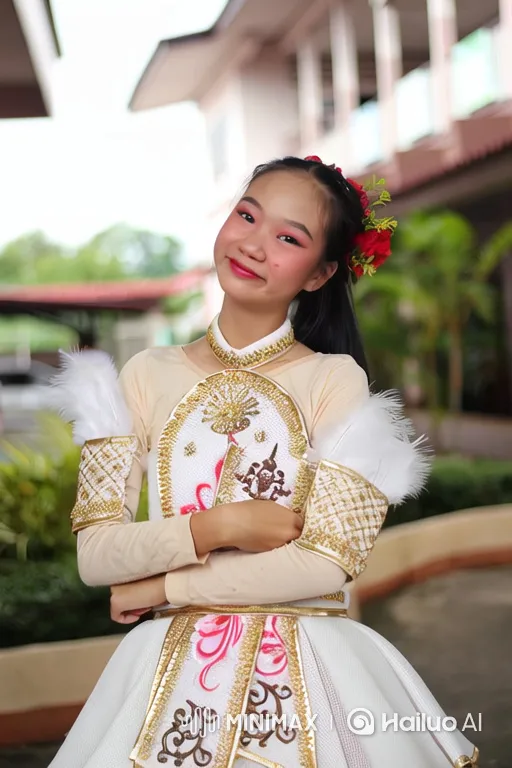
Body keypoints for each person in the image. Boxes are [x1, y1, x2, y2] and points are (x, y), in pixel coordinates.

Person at [49, 156, 478, 768]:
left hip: (310, 672)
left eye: (288, 238)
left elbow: (327, 562)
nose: (253, 244)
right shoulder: (144, 374)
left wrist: (163, 587)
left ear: (320, 273)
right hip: (165, 672)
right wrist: (221, 526)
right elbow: (95, 554)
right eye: (247, 216)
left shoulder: (334, 380)